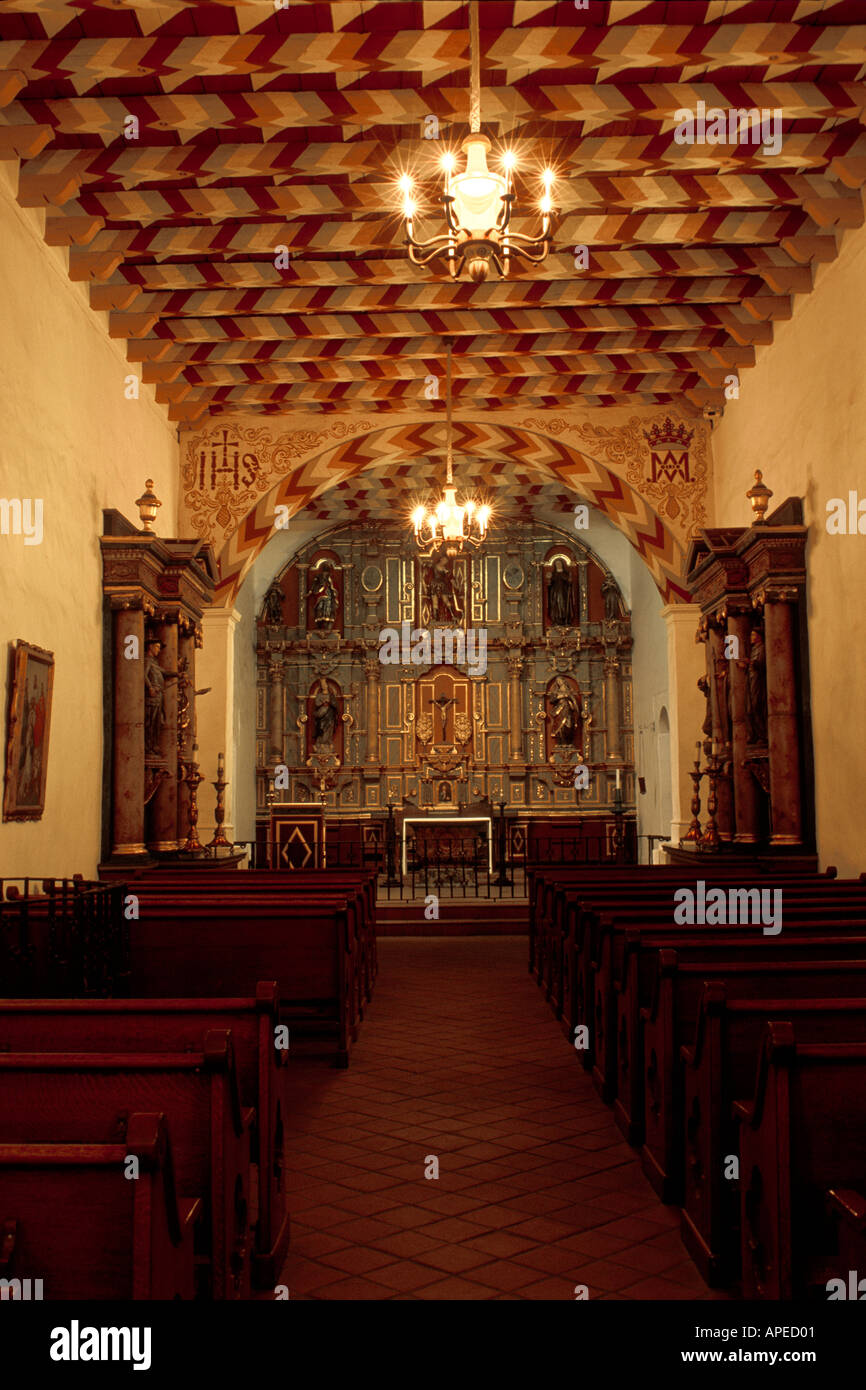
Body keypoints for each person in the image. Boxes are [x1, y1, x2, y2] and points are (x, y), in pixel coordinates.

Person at [547, 558, 574, 627]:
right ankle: (556, 620)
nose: (558, 565)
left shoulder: (566, 574)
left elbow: (569, 583)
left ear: (562, 564)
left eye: (559, 563)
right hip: (555, 594)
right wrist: (549, 580)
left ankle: (566, 620)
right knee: (556, 606)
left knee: (564, 606)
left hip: (564, 593)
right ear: (555, 565)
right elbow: (549, 585)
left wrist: (570, 580)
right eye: (557, 564)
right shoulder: (553, 574)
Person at [311, 564, 339, 629]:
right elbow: (314, 587)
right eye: (324, 572)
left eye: (327, 572)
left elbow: (334, 588)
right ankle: (319, 624)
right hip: (320, 597)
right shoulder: (319, 578)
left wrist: (330, 585)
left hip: (329, 598)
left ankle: (327, 624)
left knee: (328, 611)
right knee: (319, 608)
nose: (325, 573)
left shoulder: (331, 579)